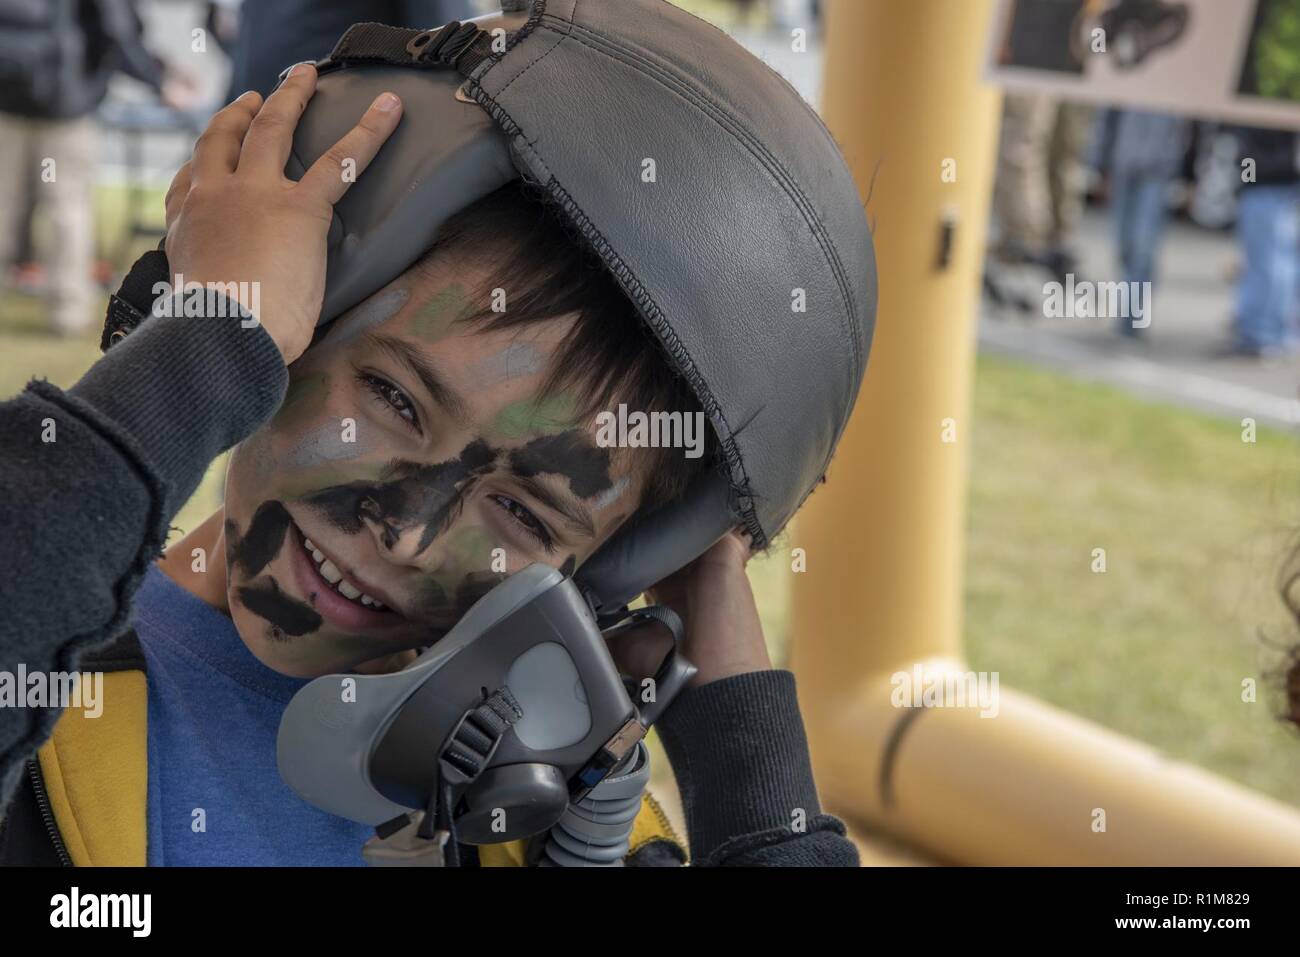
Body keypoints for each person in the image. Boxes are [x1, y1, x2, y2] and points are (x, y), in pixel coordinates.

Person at [0, 6, 870, 864]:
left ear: (609, 571)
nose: (408, 533)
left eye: (526, 515)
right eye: (394, 397)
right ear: (303, 316)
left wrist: (733, 725)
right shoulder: (46, 694)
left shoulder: (552, 823)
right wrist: (208, 339)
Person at [0, 0, 195, 336]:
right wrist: (160, 81)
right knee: (67, 209)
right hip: (64, 104)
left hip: (9, 95)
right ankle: (67, 310)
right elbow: (117, 33)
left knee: (4, 202)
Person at [1091, 108, 1191, 338]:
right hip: (1123, 166)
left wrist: (1187, 177)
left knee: (1143, 247)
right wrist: (1100, 165)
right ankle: (1128, 311)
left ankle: (1132, 317)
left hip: (1158, 171)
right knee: (1124, 244)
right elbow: (1108, 119)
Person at [1225, 125, 1300, 359]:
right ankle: (1269, 331)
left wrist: (1248, 181)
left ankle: (1263, 333)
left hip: (1267, 183)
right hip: (1273, 182)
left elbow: (1252, 154)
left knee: (1268, 262)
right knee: (1276, 260)